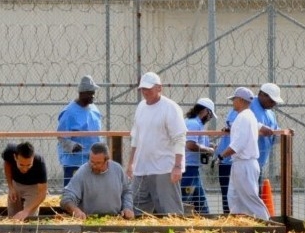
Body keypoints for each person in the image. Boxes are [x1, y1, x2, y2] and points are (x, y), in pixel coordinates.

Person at [126, 72, 187, 215]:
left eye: (148, 89)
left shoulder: (170, 108)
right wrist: (131, 164)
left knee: (170, 210)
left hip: (164, 168)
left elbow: (179, 138)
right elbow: (135, 138)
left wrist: (177, 166)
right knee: (136, 208)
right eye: (143, 89)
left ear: (159, 88)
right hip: (142, 168)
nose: (145, 92)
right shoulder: (141, 107)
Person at [218, 87, 270, 220]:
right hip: (242, 163)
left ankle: (267, 224)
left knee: (250, 197)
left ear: (240, 100)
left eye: (234, 99)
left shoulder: (243, 117)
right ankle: (240, 222)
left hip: (244, 163)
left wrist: (221, 155)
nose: (233, 102)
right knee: (234, 196)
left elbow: (237, 145)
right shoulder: (248, 116)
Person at [60, 142, 134, 219]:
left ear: (107, 160)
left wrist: (127, 208)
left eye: (98, 163)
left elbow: (127, 191)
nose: (93, 166)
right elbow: (67, 197)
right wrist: (75, 211)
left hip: (115, 219)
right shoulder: (82, 172)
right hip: (89, 219)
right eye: (91, 161)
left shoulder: (117, 169)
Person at [56, 75, 104, 187]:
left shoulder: (94, 109)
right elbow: (61, 136)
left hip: (93, 160)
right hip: (74, 162)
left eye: (93, 92)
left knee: (92, 192)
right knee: (72, 192)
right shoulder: (69, 113)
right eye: (90, 93)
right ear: (81, 93)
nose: (93, 95)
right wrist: (72, 146)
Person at [181, 98, 216, 214]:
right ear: (206, 111)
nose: (210, 119)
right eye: (210, 115)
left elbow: (195, 142)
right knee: (185, 199)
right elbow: (190, 145)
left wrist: (207, 145)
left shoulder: (195, 123)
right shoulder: (194, 124)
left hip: (193, 168)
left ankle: (205, 220)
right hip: (189, 167)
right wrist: (208, 149)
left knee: (201, 202)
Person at [2, 141, 48, 220]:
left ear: (33, 157)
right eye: (21, 165)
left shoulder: (40, 163)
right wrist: (11, 187)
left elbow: (42, 193)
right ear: (15, 157)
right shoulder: (9, 152)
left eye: (29, 165)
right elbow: (7, 165)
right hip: (16, 183)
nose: (25, 169)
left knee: (29, 218)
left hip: (33, 187)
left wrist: (26, 211)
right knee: (13, 216)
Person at [214, 118, 233, 214]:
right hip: (226, 162)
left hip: (229, 161)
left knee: (229, 193)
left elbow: (235, 145)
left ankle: (229, 215)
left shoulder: (243, 115)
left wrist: (221, 156)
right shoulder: (235, 113)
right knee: (226, 193)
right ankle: (228, 215)